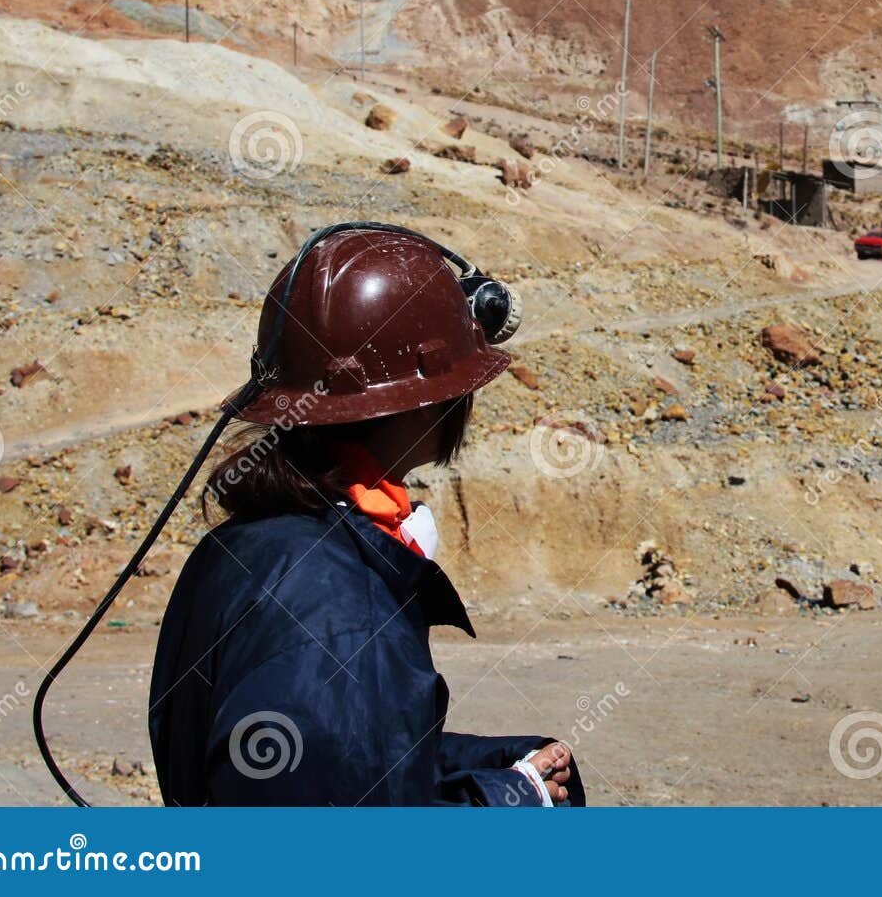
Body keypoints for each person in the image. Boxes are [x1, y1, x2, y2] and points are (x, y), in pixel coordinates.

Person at [148, 227, 581, 806]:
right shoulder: (342, 611)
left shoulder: (248, 543)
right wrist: (516, 800)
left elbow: (348, 756)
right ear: (426, 403)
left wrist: (497, 764)